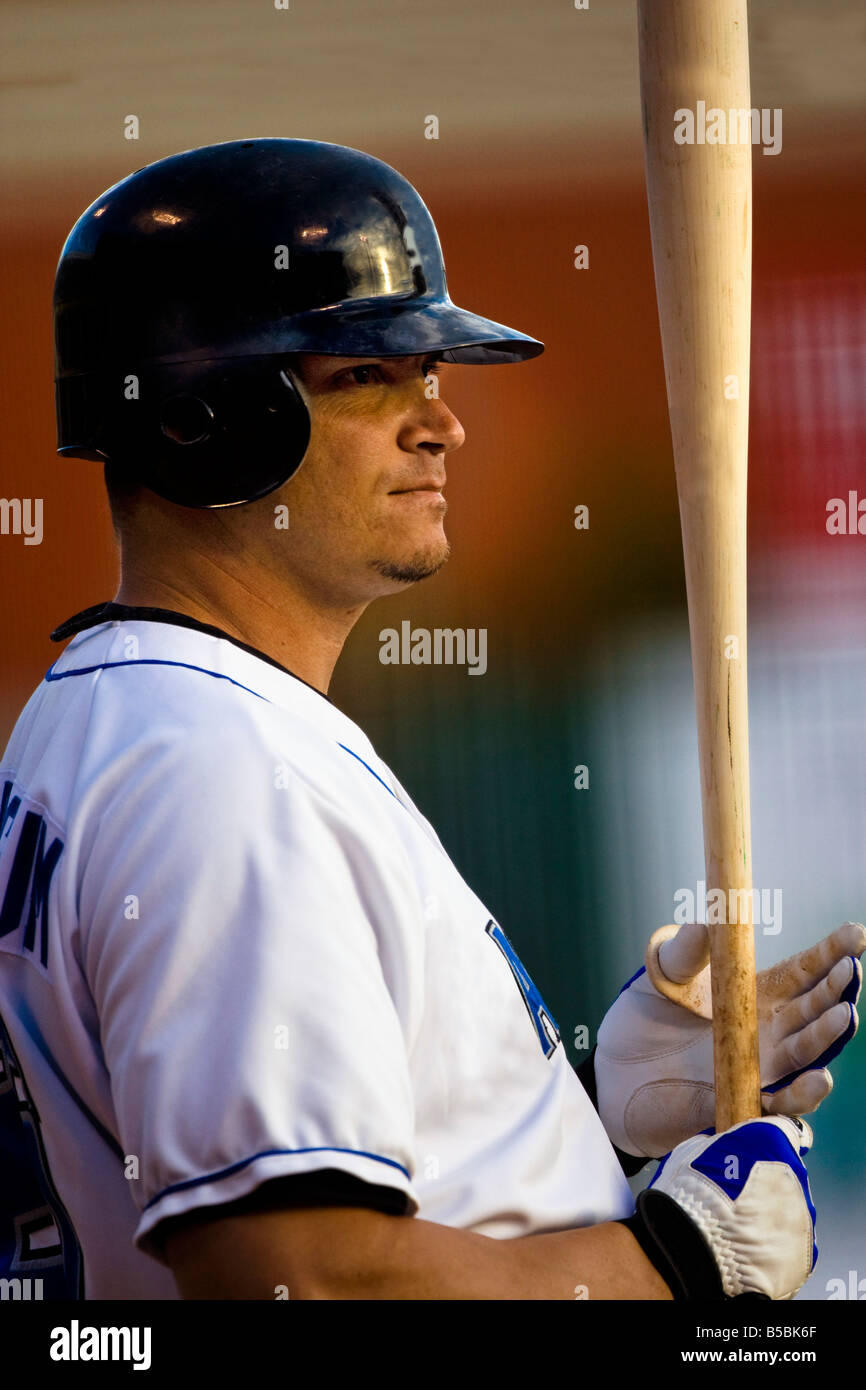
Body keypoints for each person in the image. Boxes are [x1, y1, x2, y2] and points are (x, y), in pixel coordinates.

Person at [0, 139, 861, 1301]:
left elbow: (337, 1211)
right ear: (207, 420)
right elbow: (299, 1275)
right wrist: (669, 1264)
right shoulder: (225, 772)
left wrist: (573, 1123)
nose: (441, 424)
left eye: (432, 376)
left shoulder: (111, 719)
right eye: (370, 376)